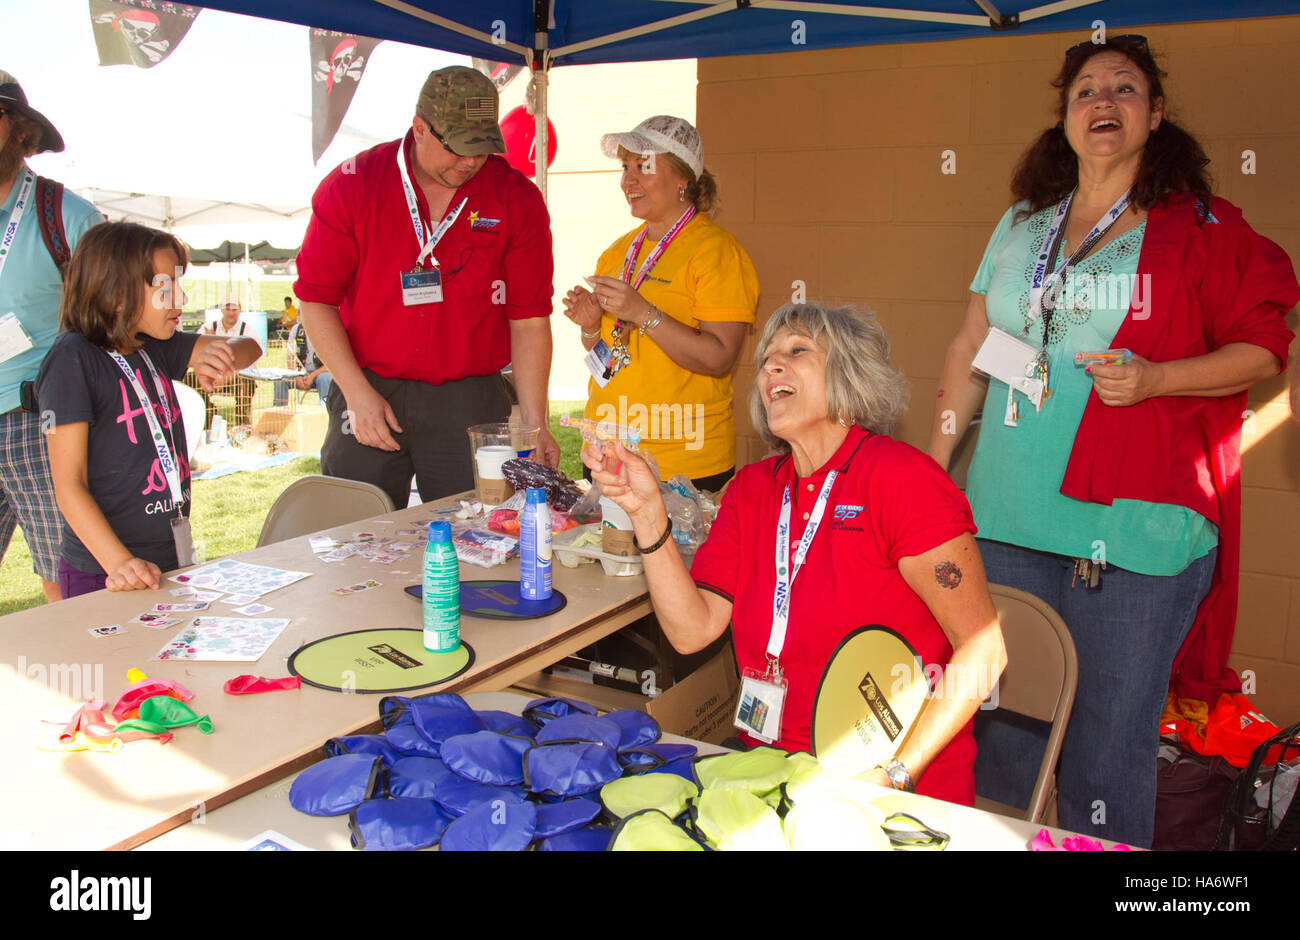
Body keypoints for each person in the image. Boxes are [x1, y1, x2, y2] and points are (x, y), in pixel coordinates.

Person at [927, 36, 1299, 847]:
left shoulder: (1197, 227)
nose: (1104, 101)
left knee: (1103, 751)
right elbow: (971, 347)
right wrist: (930, 471)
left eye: (1125, 88)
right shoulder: (1024, 222)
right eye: (1086, 89)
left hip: (1129, 539)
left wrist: (1159, 378)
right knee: (1003, 734)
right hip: (1004, 522)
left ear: (1155, 115)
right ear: (1064, 117)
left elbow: (1265, 349)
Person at [587, 302, 1006, 803]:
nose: (771, 365)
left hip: (889, 783)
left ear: (850, 377)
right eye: (767, 358)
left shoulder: (904, 481)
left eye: (797, 350)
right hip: (768, 770)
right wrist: (646, 512)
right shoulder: (753, 489)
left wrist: (896, 773)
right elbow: (691, 632)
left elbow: (984, 650)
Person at [295, 65, 558, 510]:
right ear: (420, 129)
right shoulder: (354, 185)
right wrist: (356, 393)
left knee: (479, 529)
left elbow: (530, 319)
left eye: (483, 148)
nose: (471, 162)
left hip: (468, 399)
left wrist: (536, 423)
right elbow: (315, 300)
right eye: (458, 148)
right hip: (368, 384)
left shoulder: (516, 197)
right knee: (357, 531)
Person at [36, 222, 261, 597]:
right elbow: (68, 484)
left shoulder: (153, 344)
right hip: (104, 573)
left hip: (168, 563)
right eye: (166, 287)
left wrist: (222, 356)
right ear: (117, 293)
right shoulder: (72, 360)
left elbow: (251, 346)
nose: (182, 299)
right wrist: (118, 562)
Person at [563, 115, 758, 489]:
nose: (628, 180)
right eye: (625, 167)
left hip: (682, 461)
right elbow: (611, 354)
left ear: (683, 177)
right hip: (608, 453)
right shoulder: (617, 252)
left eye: (644, 166)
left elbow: (718, 358)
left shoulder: (716, 251)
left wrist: (643, 313)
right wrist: (590, 326)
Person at [0, 70, 103, 604]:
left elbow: (113, 321)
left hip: (40, 424)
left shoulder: (67, 215)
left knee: (63, 573)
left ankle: (78, 686)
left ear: (21, 133)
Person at [187, 298, 258, 428]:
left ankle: (242, 426)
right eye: (227, 309)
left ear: (240, 310)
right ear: (221, 309)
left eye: (234, 309)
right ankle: (208, 420)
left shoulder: (248, 330)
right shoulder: (208, 328)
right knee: (189, 379)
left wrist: (226, 376)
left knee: (247, 382)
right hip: (211, 375)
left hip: (236, 376)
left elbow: (251, 362)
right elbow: (195, 356)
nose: (231, 313)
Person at [288, 319, 331, 403]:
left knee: (325, 378)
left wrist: (312, 376)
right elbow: (290, 357)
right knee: (280, 380)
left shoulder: (327, 330)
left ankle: (323, 409)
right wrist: (296, 376)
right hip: (300, 373)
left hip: (320, 373)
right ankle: (278, 411)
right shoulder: (296, 330)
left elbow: (332, 364)